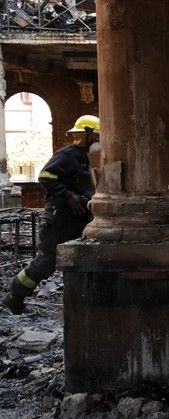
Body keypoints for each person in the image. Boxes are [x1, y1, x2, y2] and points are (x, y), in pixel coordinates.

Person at [2, 115, 99, 314]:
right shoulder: (67, 155)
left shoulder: (84, 159)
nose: (99, 140)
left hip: (76, 217)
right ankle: (15, 296)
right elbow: (45, 176)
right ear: (87, 136)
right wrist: (68, 196)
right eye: (96, 136)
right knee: (47, 261)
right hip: (58, 217)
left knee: (80, 256)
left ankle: (81, 304)